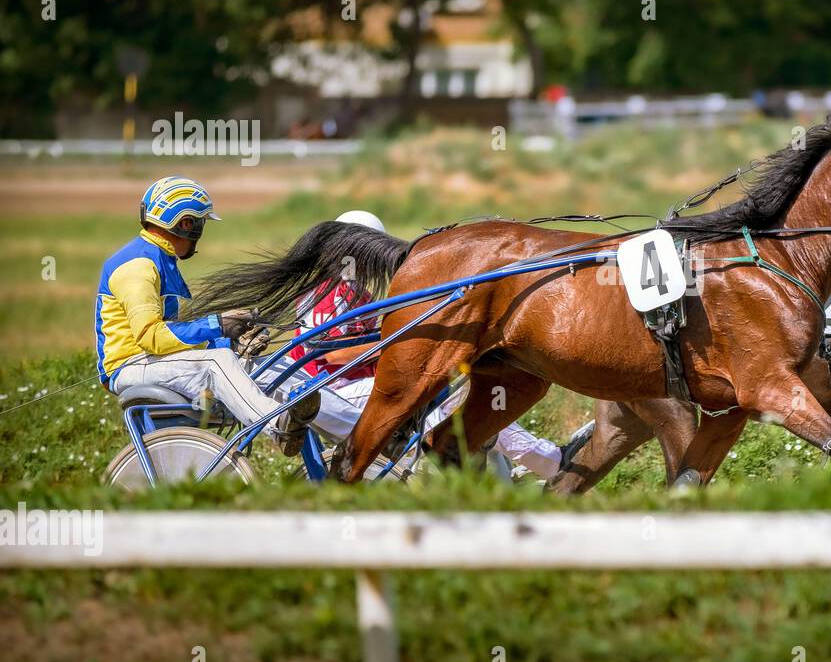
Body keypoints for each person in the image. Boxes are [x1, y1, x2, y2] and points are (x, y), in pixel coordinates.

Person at [287, 210, 592, 479]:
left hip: (351, 384)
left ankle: (520, 472)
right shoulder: (336, 295)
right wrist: (400, 346)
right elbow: (335, 355)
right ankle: (553, 463)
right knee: (460, 402)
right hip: (336, 390)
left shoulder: (346, 293)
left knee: (476, 400)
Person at [96, 177, 321, 453]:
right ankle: (277, 424)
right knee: (217, 362)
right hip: (130, 368)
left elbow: (172, 338)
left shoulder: (158, 258)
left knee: (254, 363)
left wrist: (228, 337)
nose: (201, 232)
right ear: (185, 223)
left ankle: (345, 431)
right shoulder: (138, 266)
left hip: (152, 362)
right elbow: (151, 336)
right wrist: (218, 325)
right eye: (199, 222)